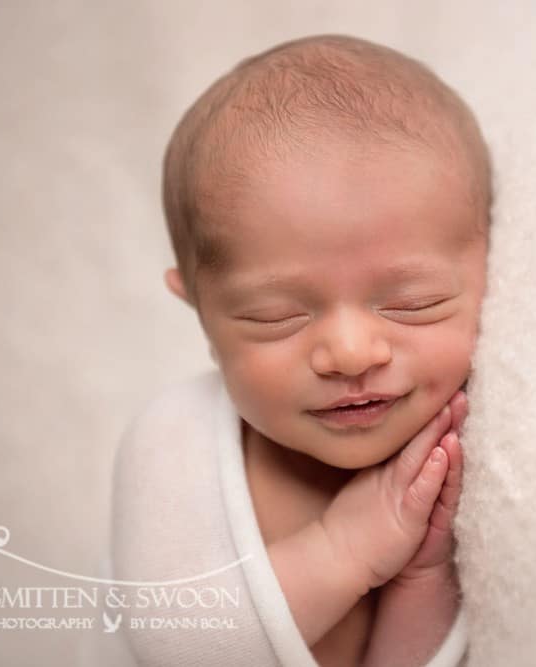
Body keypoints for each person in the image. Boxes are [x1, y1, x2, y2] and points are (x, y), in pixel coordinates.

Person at [106, 33, 492, 667]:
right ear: (199, 307)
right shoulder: (175, 433)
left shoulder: (448, 454)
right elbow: (175, 643)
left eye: (411, 302)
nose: (349, 352)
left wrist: (420, 575)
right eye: (275, 316)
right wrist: (348, 550)